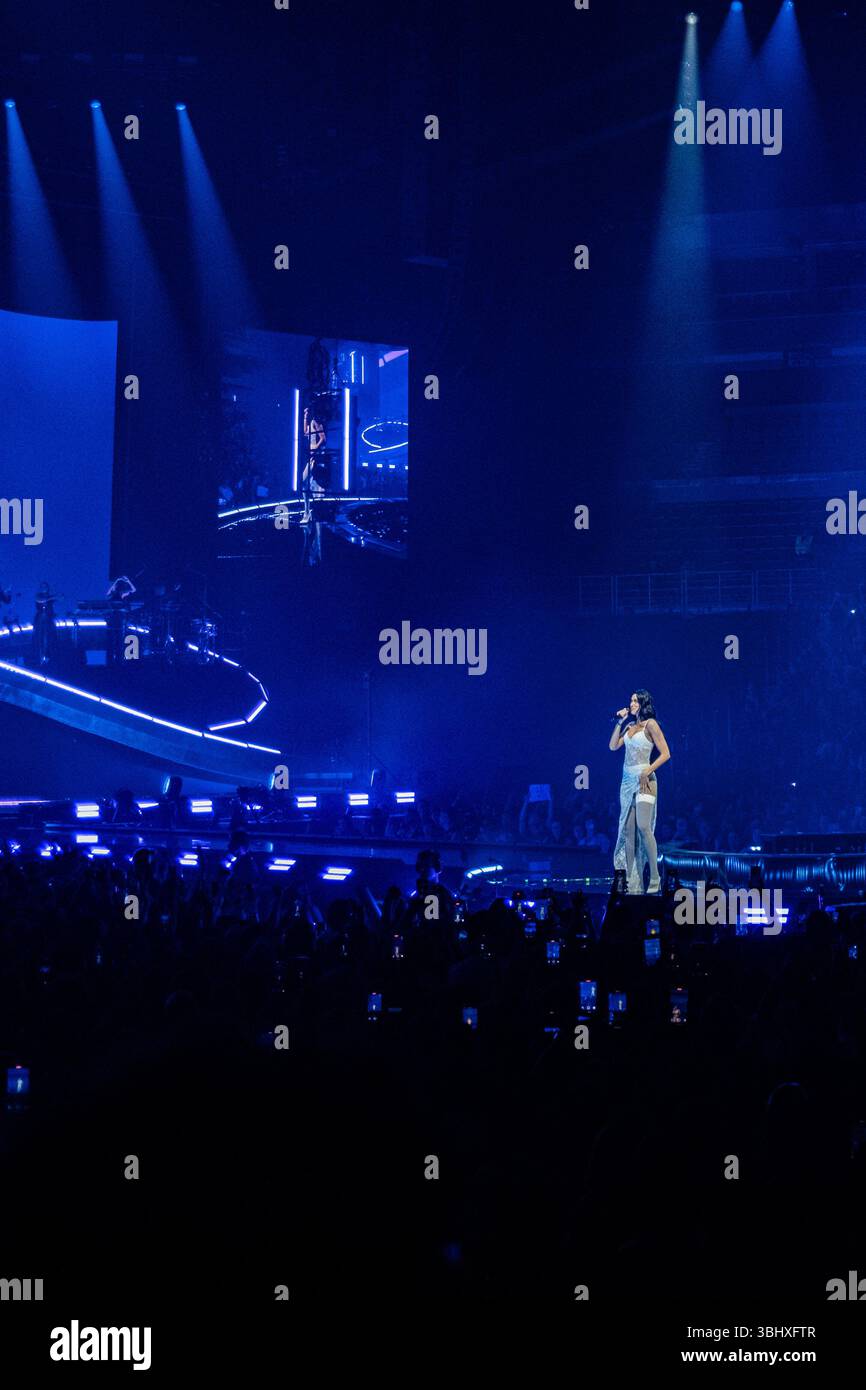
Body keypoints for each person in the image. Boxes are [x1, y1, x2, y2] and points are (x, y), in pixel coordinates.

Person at [609, 689, 670, 894]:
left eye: (635, 700)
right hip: (627, 782)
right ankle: (631, 879)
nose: (631, 703)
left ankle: (655, 876)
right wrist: (620, 721)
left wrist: (648, 770)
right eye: (631, 700)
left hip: (645, 779)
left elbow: (666, 754)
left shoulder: (651, 724)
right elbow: (612, 747)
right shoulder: (629, 727)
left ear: (643, 704)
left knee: (644, 827)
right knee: (628, 831)